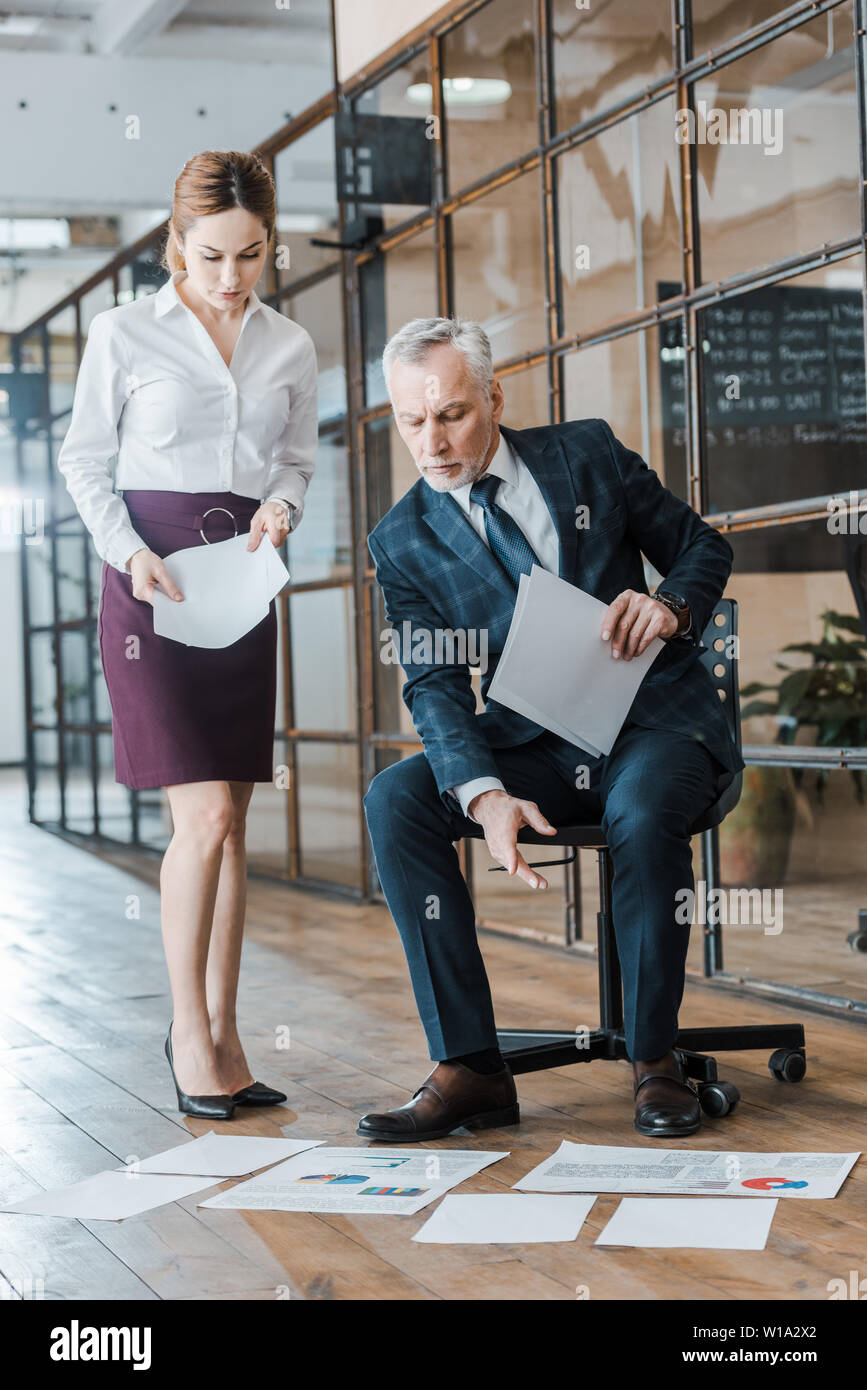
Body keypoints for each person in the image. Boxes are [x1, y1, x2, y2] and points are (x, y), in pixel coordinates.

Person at [359, 317, 744, 1142]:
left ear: (494, 397)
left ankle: (653, 1060)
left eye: (453, 414)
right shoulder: (401, 540)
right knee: (395, 800)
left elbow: (699, 548)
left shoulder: (586, 455)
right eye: (411, 420)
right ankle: (470, 1067)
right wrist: (485, 793)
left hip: (652, 724)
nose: (431, 442)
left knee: (640, 814)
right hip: (533, 743)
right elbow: (432, 683)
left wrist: (668, 606)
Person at [57, 150, 318, 1120]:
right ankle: (187, 1033)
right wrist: (129, 553)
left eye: (249, 255)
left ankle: (226, 1028)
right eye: (209, 256)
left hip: (243, 582)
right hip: (153, 582)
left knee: (234, 823)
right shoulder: (121, 332)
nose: (228, 277)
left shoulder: (289, 344)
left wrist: (282, 509)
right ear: (176, 243)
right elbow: (85, 462)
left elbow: (296, 459)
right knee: (201, 817)